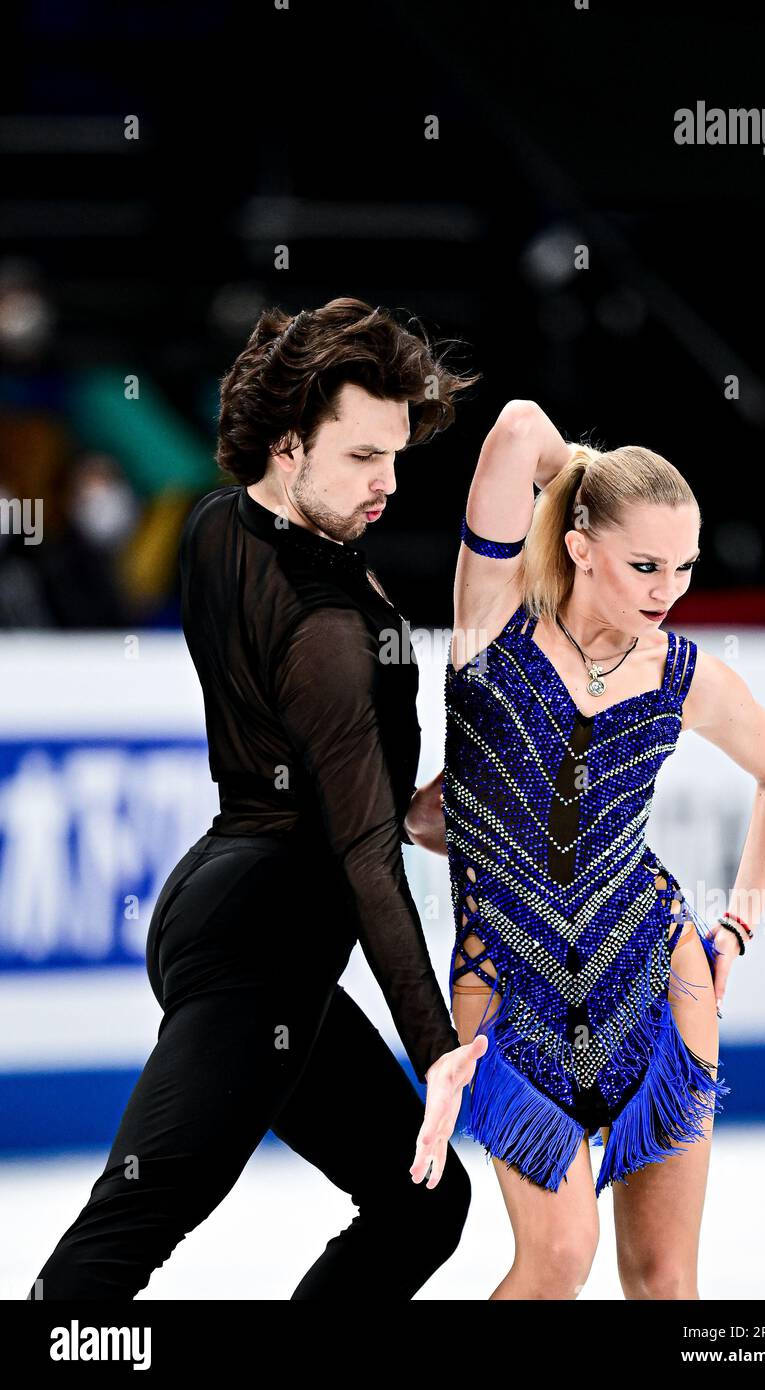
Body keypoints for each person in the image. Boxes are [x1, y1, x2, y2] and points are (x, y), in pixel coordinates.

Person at [26, 297, 486, 1300]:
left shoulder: (218, 525)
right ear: (289, 443)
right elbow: (363, 864)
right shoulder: (328, 624)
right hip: (264, 946)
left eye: (395, 456)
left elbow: (307, 766)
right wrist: (436, 1051)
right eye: (362, 456)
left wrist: (401, 806)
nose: (388, 484)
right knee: (125, 1233)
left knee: (422, 1200)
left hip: (235, 900)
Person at [437, 400, 765, 1300]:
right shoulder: (493, 621)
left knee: (663, 1281)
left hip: (654, 971)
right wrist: (580, 479)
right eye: (644, 564)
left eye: (682, 566)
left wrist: (738, 928)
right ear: (577, 545)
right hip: (506, 984)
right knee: (559, 1256)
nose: (667, 590)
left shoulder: (682, 674)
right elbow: (519, 425)